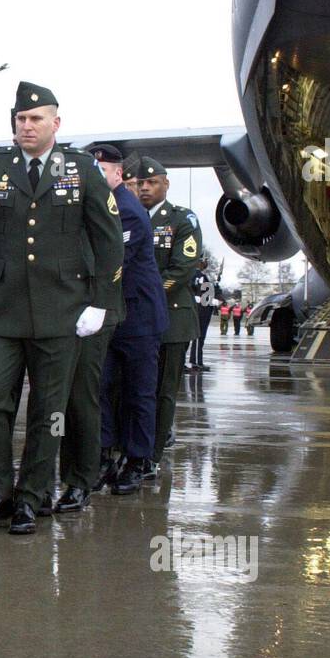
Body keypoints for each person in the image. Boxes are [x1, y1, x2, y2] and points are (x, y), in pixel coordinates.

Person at [0, 80, 123, 535]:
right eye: (21, 119)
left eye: (36, 119)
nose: (26, 126)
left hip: (62, 309)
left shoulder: (81, 169)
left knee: (51, 410)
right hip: (4, 310)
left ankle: (32, 497)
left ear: (56, 123)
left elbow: (109, 241)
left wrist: (100, 302)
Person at [50, 144, 126, 512]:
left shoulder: (95, 199)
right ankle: (52, 476)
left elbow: (112, 249)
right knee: (53, 402)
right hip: (55, 310)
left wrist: (100, 305)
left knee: (81, 397)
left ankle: (80, 478)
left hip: (91, 311)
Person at [91, 147, 169, 495]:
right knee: (102, 387)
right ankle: (106, 455)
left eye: (101, 170)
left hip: (137, 316)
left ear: (117, 174)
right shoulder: (98, 205)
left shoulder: (128, 211)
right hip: (111, 315)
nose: (94, 177)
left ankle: (138, 460)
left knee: (139, 392)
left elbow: (112, 262)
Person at [135, 157, 203, 475]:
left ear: (165, 184)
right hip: (133, 319)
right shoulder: (128, 217)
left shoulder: (181, 220)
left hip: (171, 319)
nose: (145, 187)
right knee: (134, 388)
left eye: (151, 182)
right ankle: (130, 449)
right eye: (140, 183)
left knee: (162, 390)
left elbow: (182, 269)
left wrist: (144, 296)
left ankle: (153, 453)